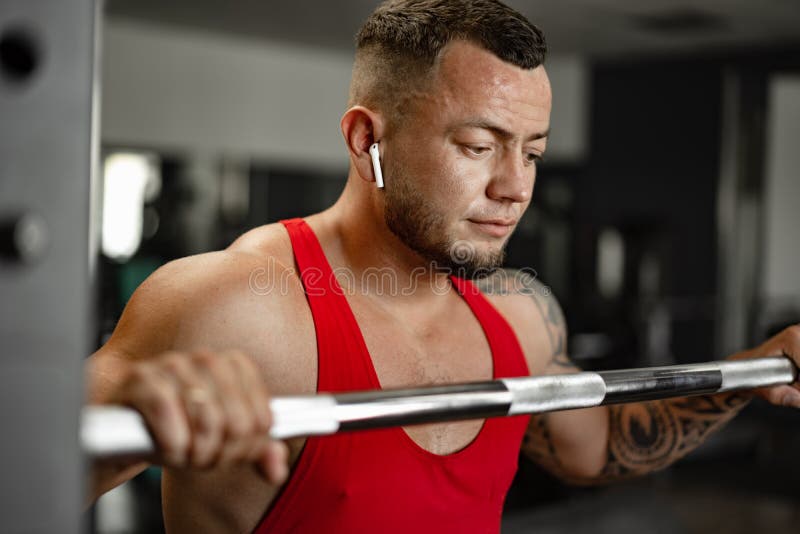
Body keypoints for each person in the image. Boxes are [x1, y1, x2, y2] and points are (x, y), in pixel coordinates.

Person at [86, 0, 800, 532]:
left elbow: (600, 443)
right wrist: (125, 420)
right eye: (478, 145)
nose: (515, 187)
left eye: (533, 152)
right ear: (368, 139)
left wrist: (752, 375)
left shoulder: (519, 315)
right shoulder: (229, 305)